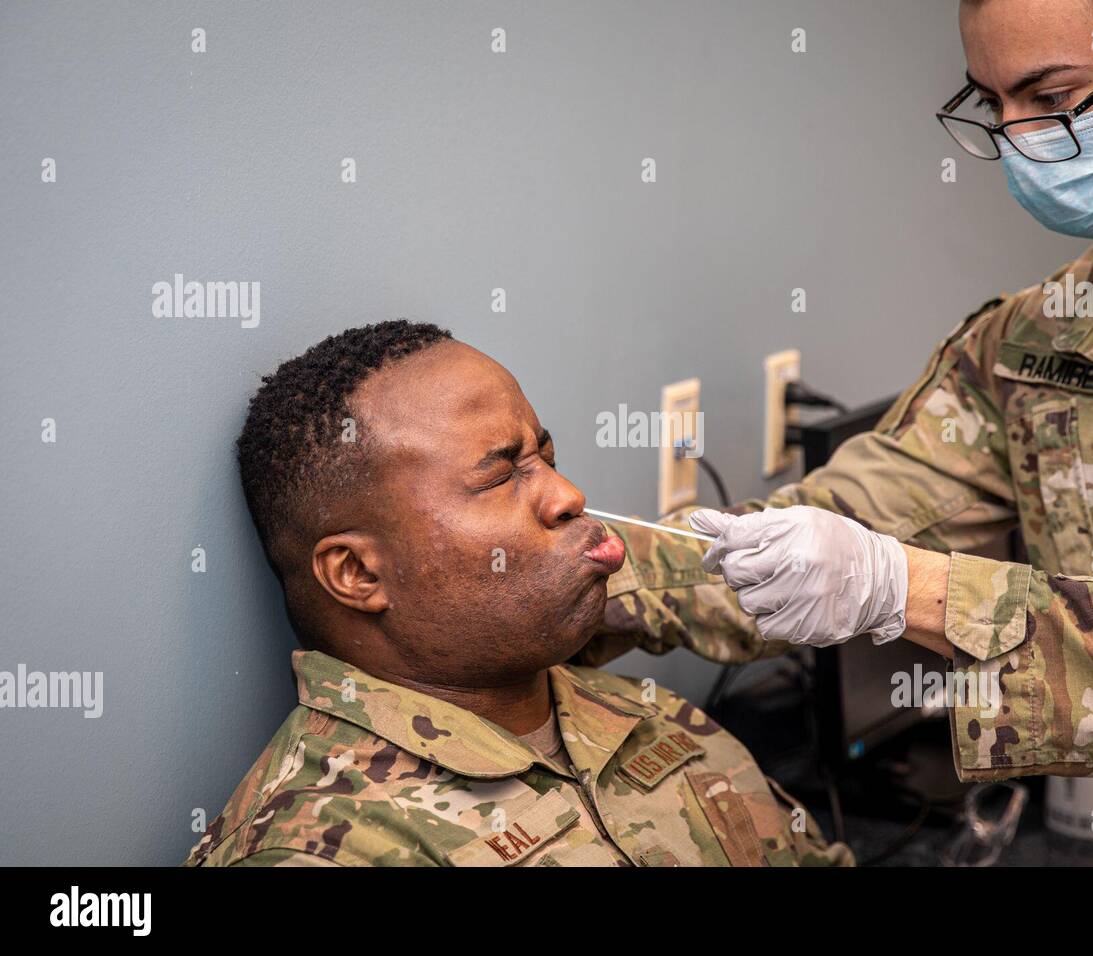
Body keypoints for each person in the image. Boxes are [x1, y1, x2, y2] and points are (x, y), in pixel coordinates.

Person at [588, 0, 1093, 865]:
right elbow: (865, 506)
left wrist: (904, 589)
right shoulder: (1042, 338)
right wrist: (585, 577)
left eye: (1050, 95)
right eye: (992, 103)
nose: (1016, 139)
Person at [183, 321, 850, 867]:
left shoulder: (649, 719)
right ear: (358, 574)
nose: (567, 496)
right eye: (502, 477)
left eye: (547, 459)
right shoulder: (326, 847)